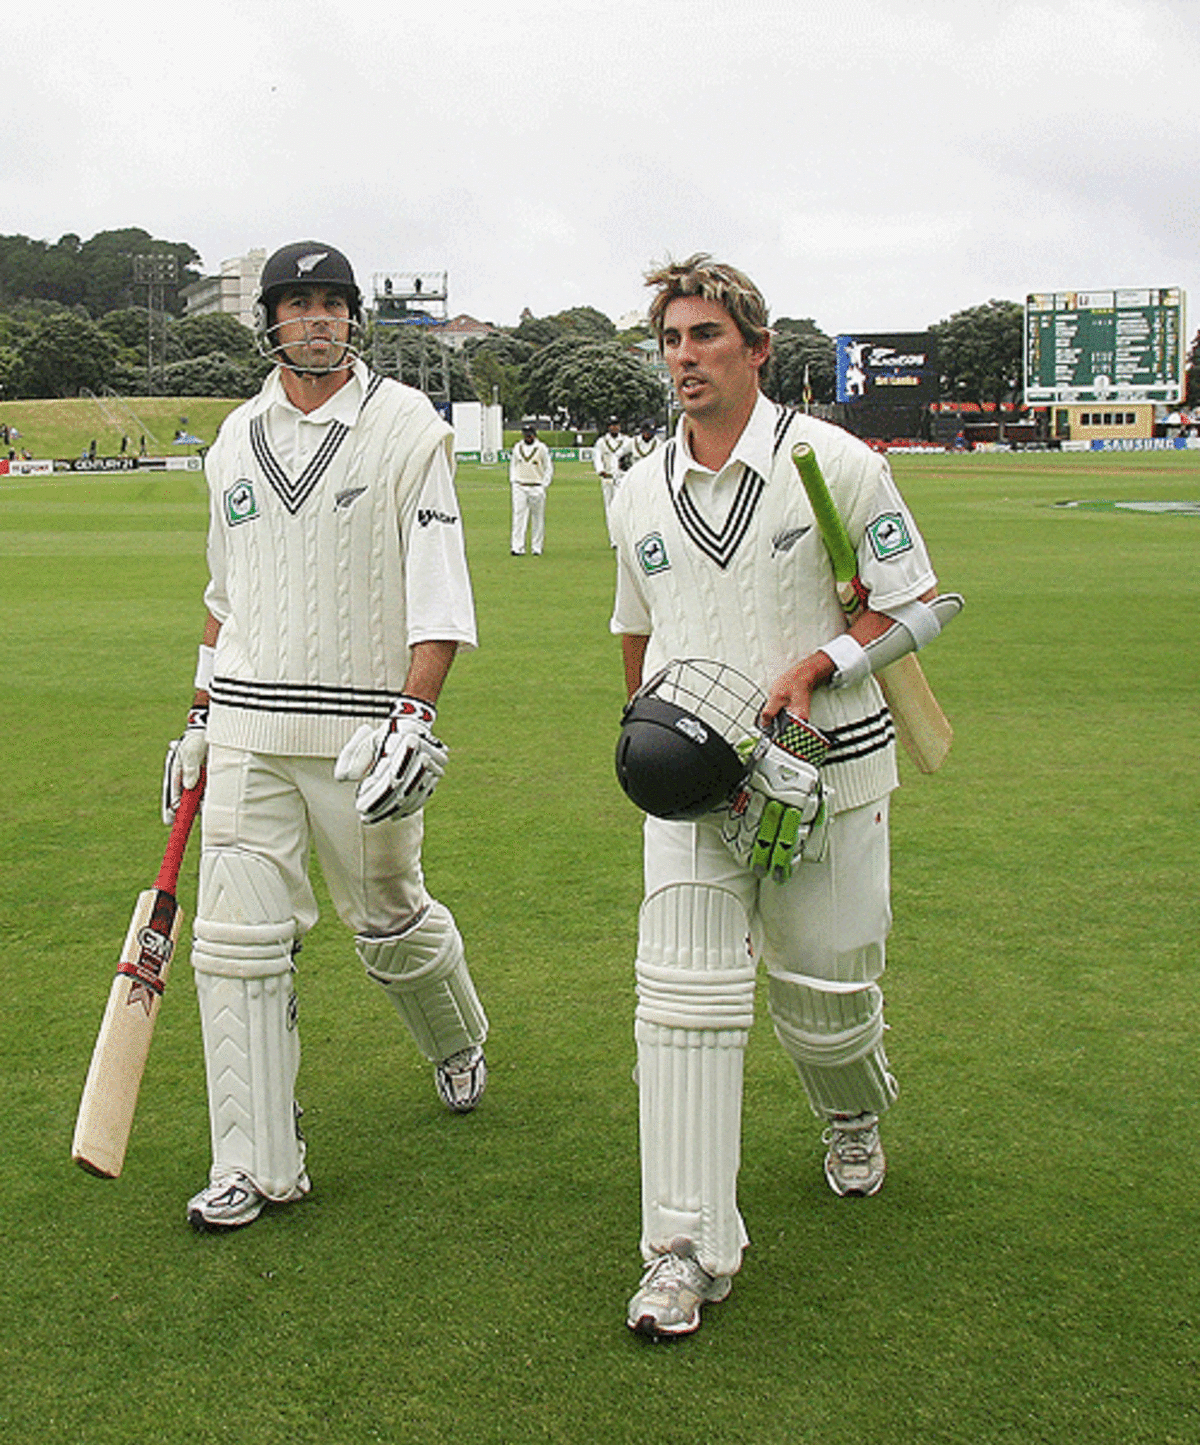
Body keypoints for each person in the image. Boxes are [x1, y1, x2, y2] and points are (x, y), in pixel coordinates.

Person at [608, 254, 954, 1337]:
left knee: (826, 1005)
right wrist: (645, 735)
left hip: (827, 777)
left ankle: (852, 1113)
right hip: (696, 789)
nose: (685, 357)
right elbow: (637, 624)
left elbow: (920, 604)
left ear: (757, 348)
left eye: (706, 336)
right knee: (683, 1001)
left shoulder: (833, 464)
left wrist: (820, 663)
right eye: (671, 340)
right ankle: (683, 1245)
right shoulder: (634, 488)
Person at [163, 240, 488, 1233]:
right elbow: (227, 595)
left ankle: (456, 1037)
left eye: (332, 305)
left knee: (387, 914)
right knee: (236, 944)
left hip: (360, 733)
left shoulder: (403, 430)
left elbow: (438, 595)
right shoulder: (233, 440)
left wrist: (414, 712)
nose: (316, 321)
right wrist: (200, 710)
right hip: (252, 725)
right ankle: (255, 1161)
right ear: (269, 322)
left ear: (355, 319)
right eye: (297, 305)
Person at [508, 421, 553, 555]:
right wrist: (514, 481)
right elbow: (513, 465)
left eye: (530, 435)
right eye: (526, 435)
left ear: (534, 435)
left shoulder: (542, 448)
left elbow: (548, 467)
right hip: (520, 485)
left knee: (537, 518)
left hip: (536, 486)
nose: (528, 438)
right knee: (518, 516)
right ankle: (517, 547)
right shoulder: (517, 447)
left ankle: (536, 547)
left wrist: (544, 485)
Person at [592, 415, 627, 541]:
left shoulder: (626, 440)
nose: (614, 427)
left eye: (616, 425)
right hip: (607, 478)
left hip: (622, 478)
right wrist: (600, 470)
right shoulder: (602, 442)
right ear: (608, 427)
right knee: (610, 508)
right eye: (612, 425)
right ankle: (614, 538)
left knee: (623, 508)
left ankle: (623, 536)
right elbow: (597, 457)